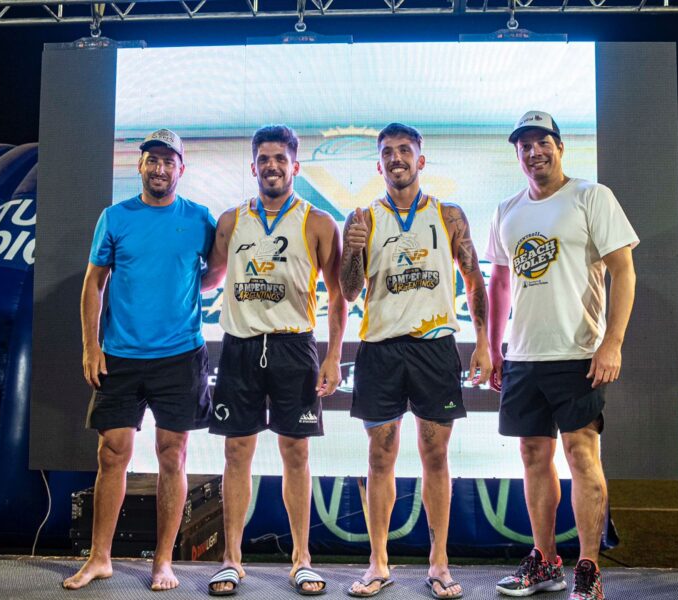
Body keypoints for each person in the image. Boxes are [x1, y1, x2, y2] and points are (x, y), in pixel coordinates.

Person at [486, 111, 638, 600]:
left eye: (542, 142)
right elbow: (501, 281)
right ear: (517, 153)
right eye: (525, 145)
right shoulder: (507, 210)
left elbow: (624, 271)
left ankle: (588, 568)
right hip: (525, 357)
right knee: (533, 456)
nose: (534, 152)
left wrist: (611, 342)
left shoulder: (591, 196)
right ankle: (545, 562)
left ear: (560, 147)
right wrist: (494, 350)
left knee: (580, 454)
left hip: (578, 354)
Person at [340, 123, 492, 599]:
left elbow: (473, 280)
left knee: (435, 456)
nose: (396, 158)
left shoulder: (448, 216)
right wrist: (354, 248)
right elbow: (346, 291)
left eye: (405, 150)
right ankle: (378, 563)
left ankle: (439, 564)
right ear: (379, 164)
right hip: (381, 349)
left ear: (421, 160)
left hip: (434, 349)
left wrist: (484, 341)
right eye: (387, 152)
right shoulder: (362, 217)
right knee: (380, 456)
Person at [64, 128, 216, 592]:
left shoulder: (200, 219)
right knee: (112, 453)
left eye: (169, 161)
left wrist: (184, 293)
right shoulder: (115, 217)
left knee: (173, 456)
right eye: (152, 160)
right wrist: (92, 346)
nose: (160, 168)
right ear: (141, 164)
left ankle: (163, 562)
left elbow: (212, 275)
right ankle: (100, 558)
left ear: (181, 169)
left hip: (180, 356)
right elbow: (93, 284)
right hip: (121, 358)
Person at [204, 125, 346, 597]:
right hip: (241, 347)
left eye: (280, 159)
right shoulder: (231, 220)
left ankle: (302, 559)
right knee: (236, 453)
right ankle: (231, 560)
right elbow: (208, 279)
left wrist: (333, 355)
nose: (271, 166)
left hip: (294, 348)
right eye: (264, 159)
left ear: (294, 166)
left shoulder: (319, 222)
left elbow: (340, 294)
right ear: (253, 167)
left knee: (296, 454)